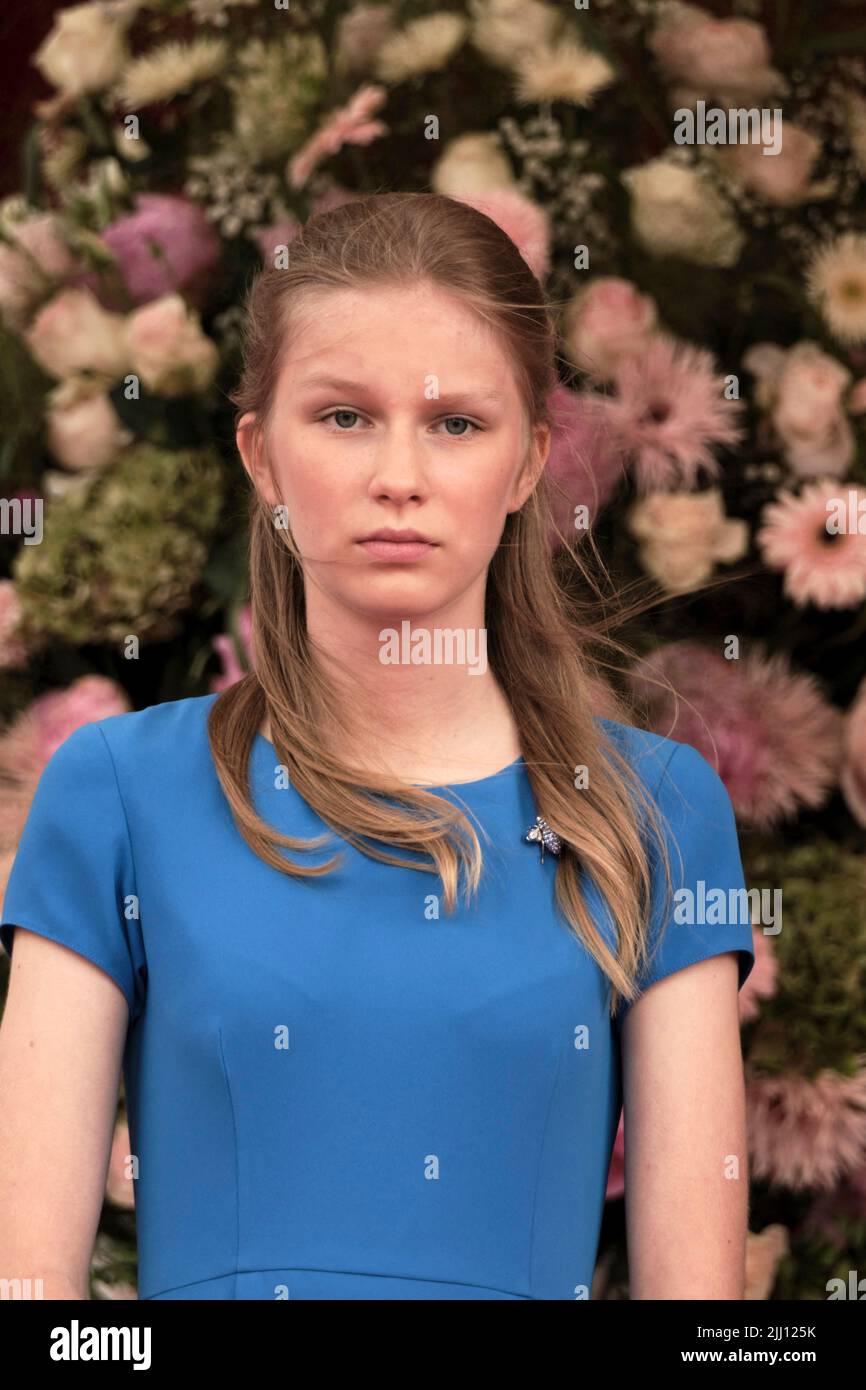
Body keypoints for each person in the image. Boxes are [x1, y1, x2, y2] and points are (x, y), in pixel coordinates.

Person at [0, 191, 755, 1301]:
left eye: (455, 423)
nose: (397, 473)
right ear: (260, 453)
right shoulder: (118, 793)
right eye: (344, 416)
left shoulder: (653, 808)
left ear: (528, 462)